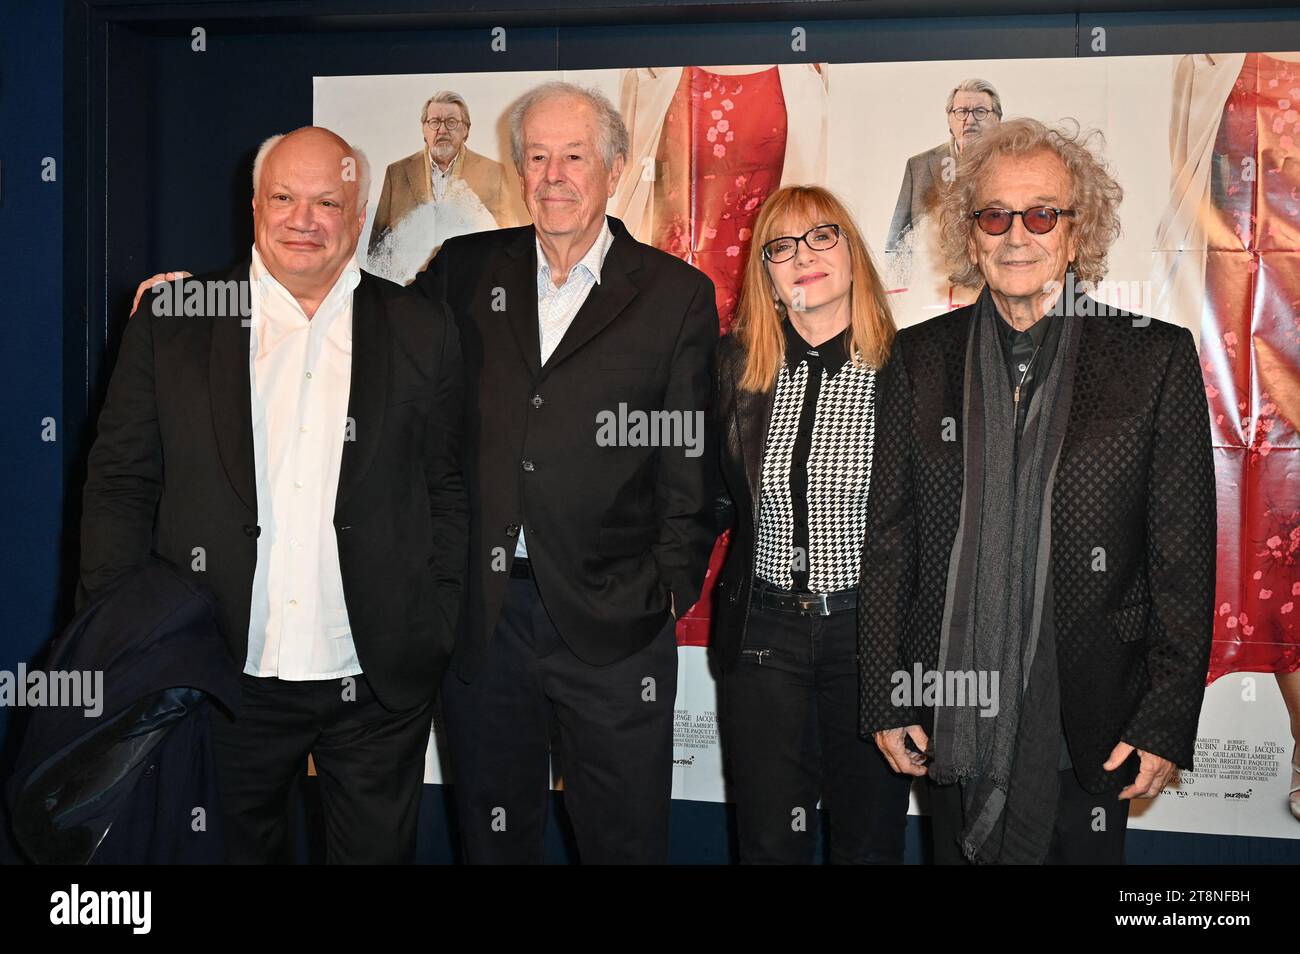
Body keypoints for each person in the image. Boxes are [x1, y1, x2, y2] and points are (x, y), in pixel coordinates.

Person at [86, 126, 467, 863]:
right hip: (220, 672)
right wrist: (121, 637)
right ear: (254, 206)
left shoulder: (422, 327)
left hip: (375, 679)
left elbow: (446, 487)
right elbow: (119, 487)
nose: (305, 219)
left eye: (328, 201)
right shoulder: (175, 320)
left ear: (358, 217)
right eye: (285, 197)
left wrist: (438, 618)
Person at [860, 117, 1217, 864]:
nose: (1016, 235)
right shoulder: (921, 360)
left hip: (1089, 714)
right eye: (994, 215)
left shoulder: (1152, 359)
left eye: (1041, 214)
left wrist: (1165, 717)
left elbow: (1182, 562)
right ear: (971, 233)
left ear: (1077, 231)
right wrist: (887, 694)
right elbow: (891, 543)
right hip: (950, 712)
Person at [414, 81, 718, 864]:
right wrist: (233, 293)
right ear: (519, 170)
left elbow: (693, 462)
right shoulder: (463, 269)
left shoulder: (676, 295)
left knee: (623, 844)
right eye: (538, 156)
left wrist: (666, 587)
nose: (554, 175)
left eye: (574, 156)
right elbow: (368, 328)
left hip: (615, 625)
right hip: (485, 621)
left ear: (614, 168)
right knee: (492, 843)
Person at [713, 185, 910, 863]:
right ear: (766, 276)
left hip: (869, 637)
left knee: (869, 841)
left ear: (854, 255)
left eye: (823, 237)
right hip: (764, 635)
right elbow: (706, 499)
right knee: (768, 842)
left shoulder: (906, 371)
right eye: (782, 246)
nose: (804, 256)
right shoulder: (735, 369)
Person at [367, 90, 517, 258]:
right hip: (409, 280)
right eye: (435, 122)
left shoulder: (493, 173)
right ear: (424, 129)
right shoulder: (396, 173)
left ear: (466, 129)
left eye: (451, 122)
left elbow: (508, 242)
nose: (442, 130)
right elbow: (376, 248)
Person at [884, 78, 1003, 253]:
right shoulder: (918, 167)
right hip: (933, 277)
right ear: (949, 120)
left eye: (980, 111)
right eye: (961, 111)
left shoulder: (1015, 166)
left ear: (997, 120)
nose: (969, 120)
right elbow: (896, 245)